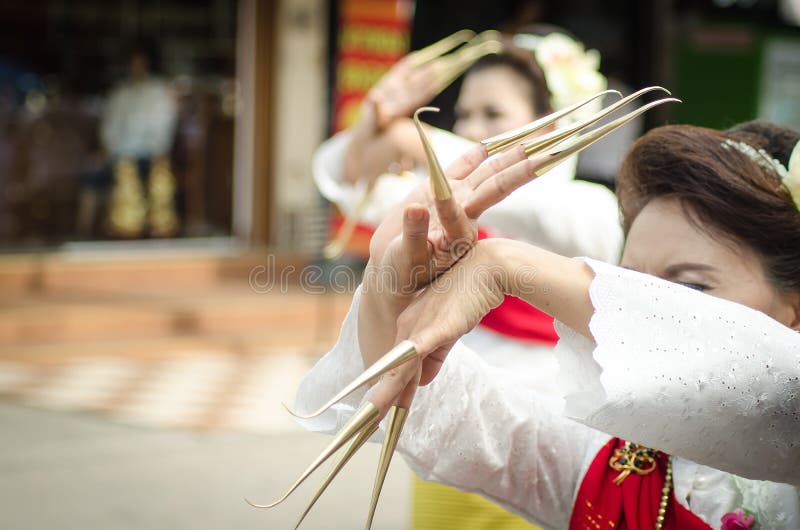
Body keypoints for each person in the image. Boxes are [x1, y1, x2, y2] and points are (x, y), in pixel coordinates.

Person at [294, 120, 800, 529]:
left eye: (689, 291)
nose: (644, 316)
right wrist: (388, 295)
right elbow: (455, 419)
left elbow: (776, 383)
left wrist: (505, 266)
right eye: (629, 284)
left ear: (792, 310)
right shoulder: (601, 462)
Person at [312, 30, 622, 530]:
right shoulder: (436, 210)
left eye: (494, 115)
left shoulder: (589, 207)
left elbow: (518, 197)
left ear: (555, 123)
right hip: (455, 434)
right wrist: (374, 121)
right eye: (465, 114)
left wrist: (416, 138)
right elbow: (351, 183)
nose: (475, 129)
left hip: (551, 453)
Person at [77, 43, 178, 238]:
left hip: (152, 153)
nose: (136, 68)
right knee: (120, 179)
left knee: (160, 184)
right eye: (133, 64)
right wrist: (112, 150)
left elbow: (164, 125)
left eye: (140, 63)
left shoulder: (158, 92)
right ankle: (123, 229)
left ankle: (158, 228)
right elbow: (109, 127)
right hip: (122, 155)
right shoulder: (119, 94)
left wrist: (158, 149)